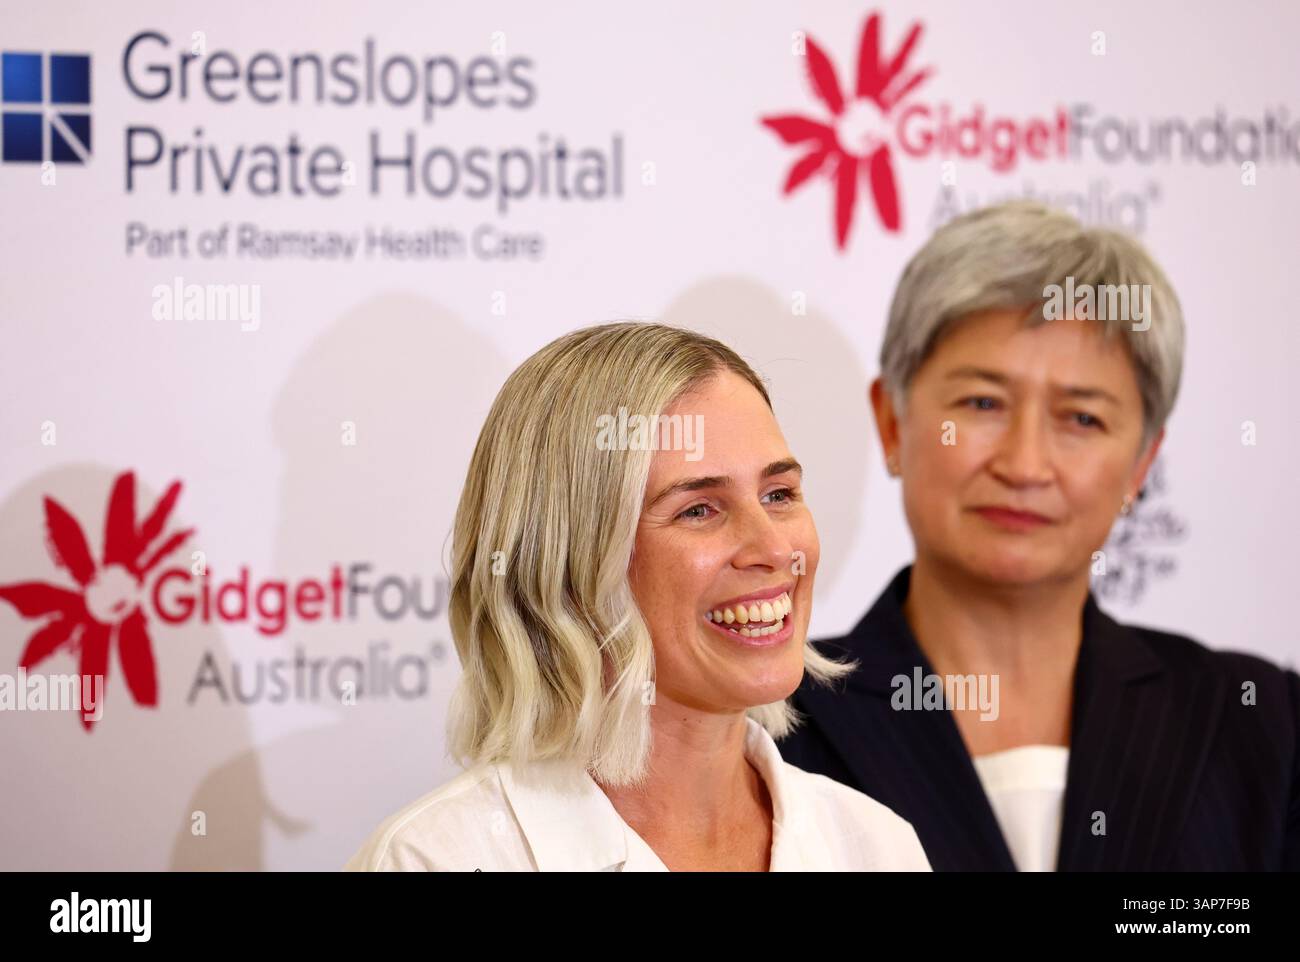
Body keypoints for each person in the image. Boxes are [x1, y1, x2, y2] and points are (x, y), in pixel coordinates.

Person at [779, 200, 1299, 871]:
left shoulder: (1261, 726)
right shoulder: (765, 720)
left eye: (1081, 419)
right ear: (891, 423)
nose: (1024, 465)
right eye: (982, 404)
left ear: (1142, 461)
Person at [345, 322, 930, 871]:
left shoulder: (877, 846)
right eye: (699, 509)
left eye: (779, 494)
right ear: (568, 560)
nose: (775, 549)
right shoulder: (435, 857)